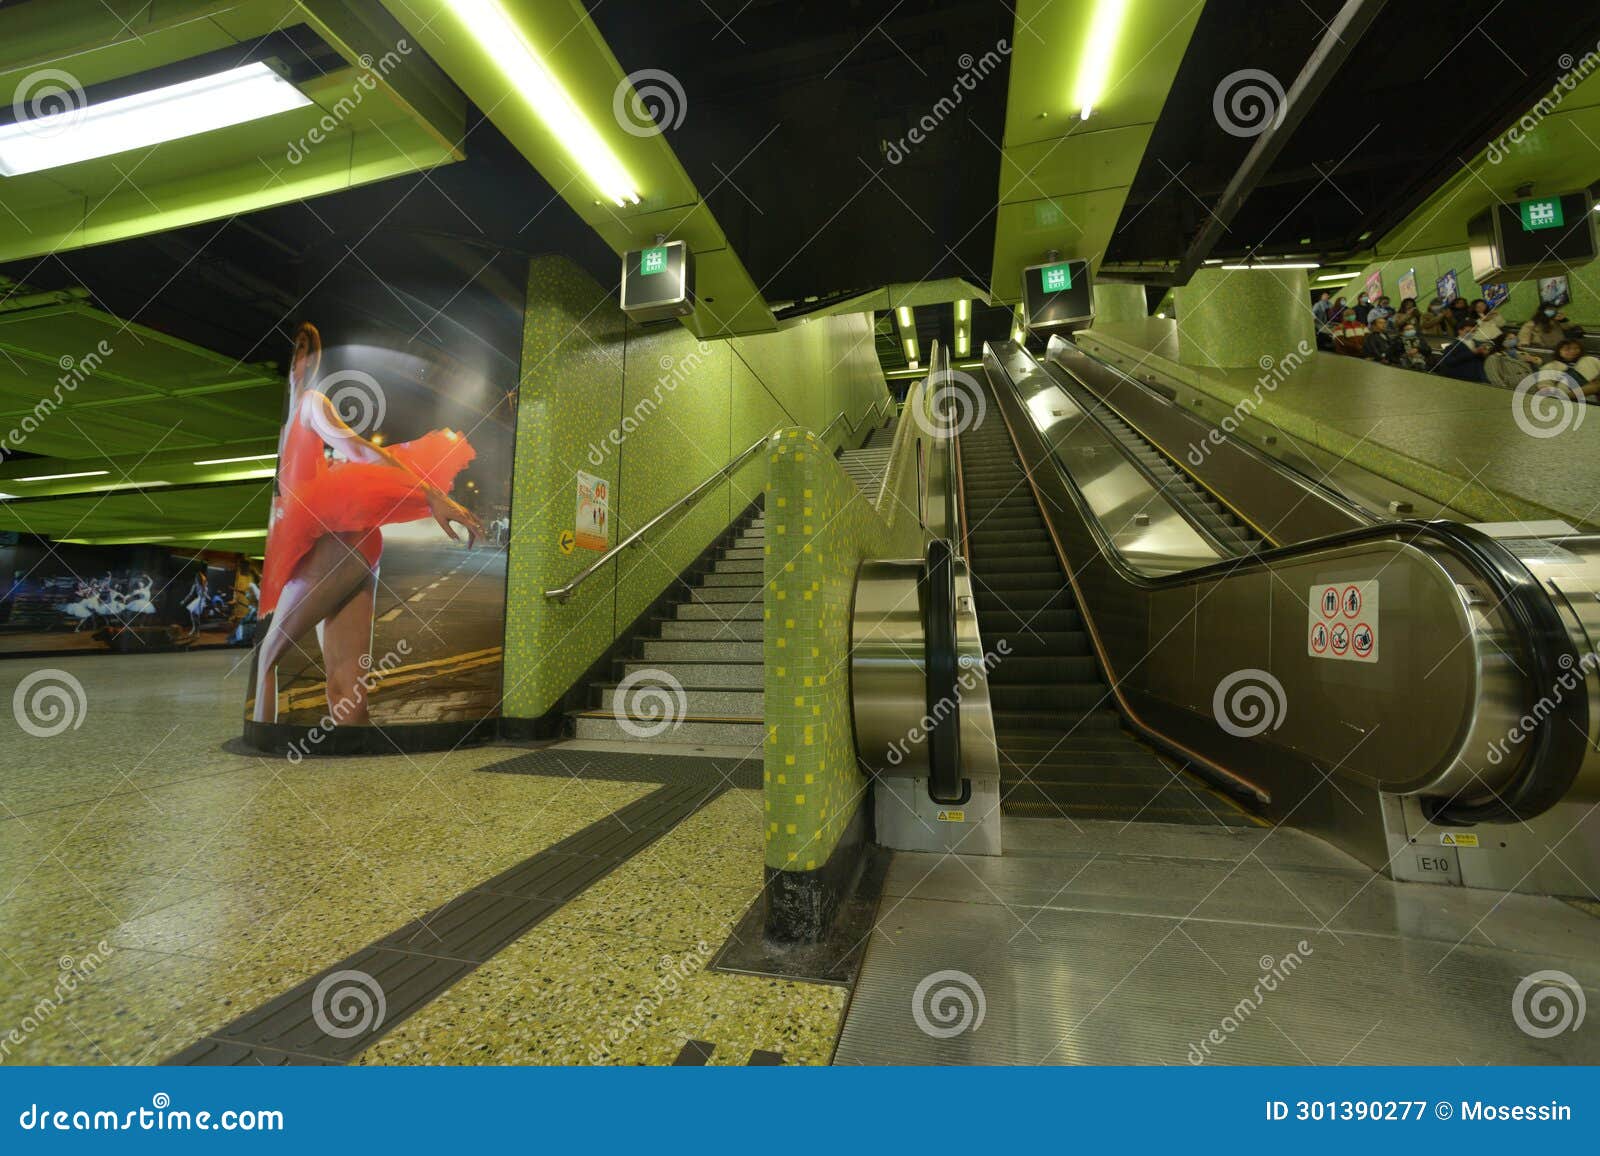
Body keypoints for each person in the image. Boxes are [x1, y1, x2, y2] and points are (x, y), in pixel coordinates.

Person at [252, 323, 484, 726]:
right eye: (292, 351)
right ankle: (352, 755)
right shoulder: (292, 416)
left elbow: (356, 449)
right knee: (346, 685)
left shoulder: (309, 403)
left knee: (267, 658)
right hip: (353, 547)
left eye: (302, 350)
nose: (295, 361)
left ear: (313, 358)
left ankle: (261, 755)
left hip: (336, 543)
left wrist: (431, 494)